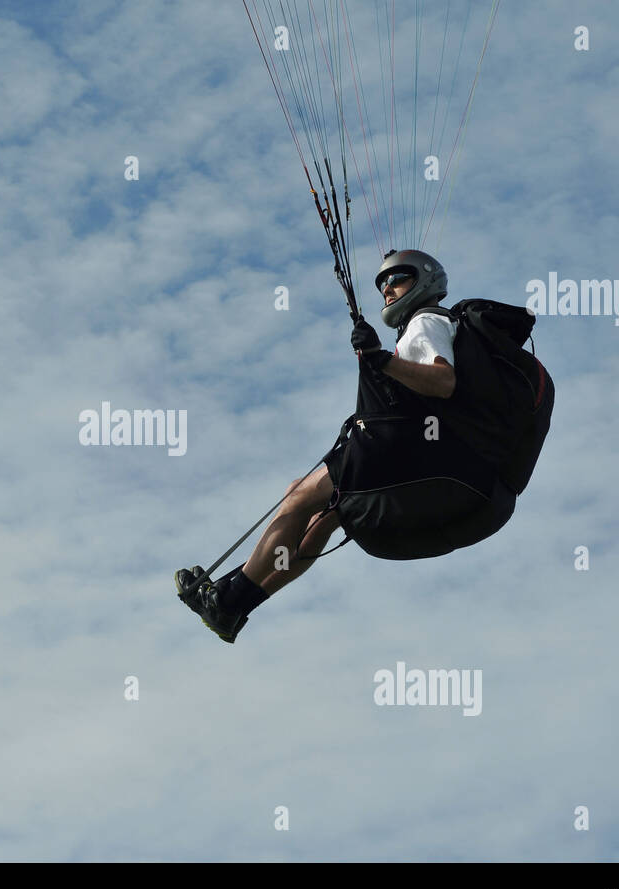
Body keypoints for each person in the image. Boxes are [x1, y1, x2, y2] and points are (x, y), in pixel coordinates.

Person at [177, 249, 514, 642]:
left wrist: (381, 360)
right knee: (325, 517)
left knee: (298, 496)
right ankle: (236, 609)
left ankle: (228, 597)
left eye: (397, 279)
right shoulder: (433, 325)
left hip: (401, 452)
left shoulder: (426, 321)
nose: (387, 288)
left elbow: (443, 382)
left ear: (424, 280)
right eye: (382, 284)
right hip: (430, 462)